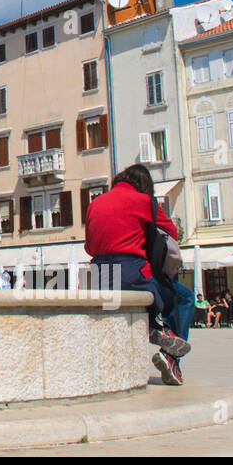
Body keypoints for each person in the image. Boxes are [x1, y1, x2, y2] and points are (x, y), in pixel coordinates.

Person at [84, 163, 192, 386]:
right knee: (184, 297)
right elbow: (171, 234)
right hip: (132, 272)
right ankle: (169, 350)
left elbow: (88, 247)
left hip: (99, 276)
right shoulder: (145, 202)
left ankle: (156, 327)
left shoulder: (95, 203)